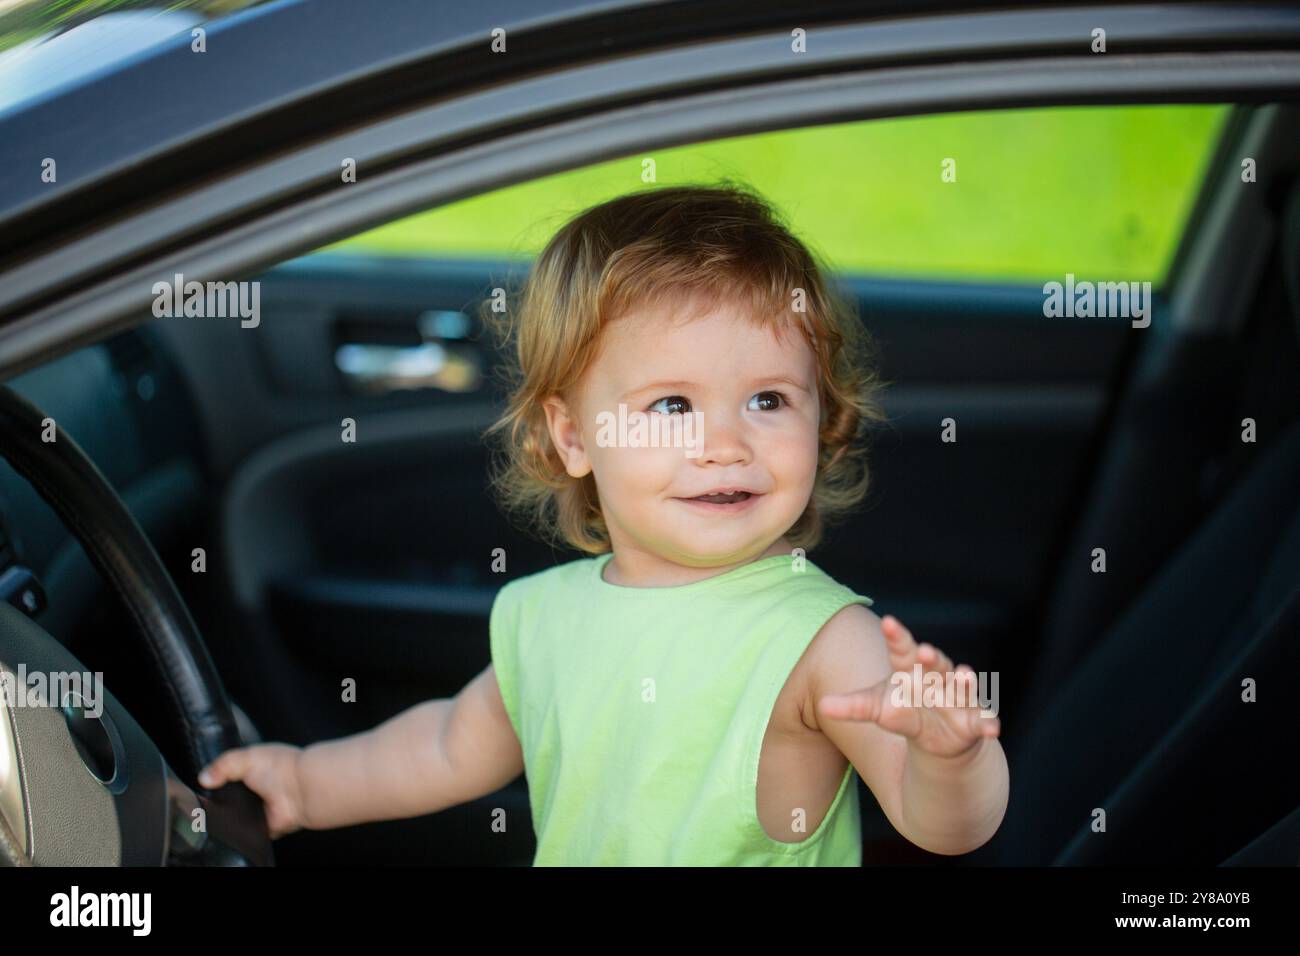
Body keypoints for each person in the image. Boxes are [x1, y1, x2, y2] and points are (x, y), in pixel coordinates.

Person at [199, 182, 1009, 865]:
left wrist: (952, 757)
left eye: (769, 400)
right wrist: (303, 786)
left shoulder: (824, 640)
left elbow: (940, 825)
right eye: (671, 404)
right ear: (575, 436)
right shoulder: (545, 614)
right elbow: (447, 745)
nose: (725, 445)